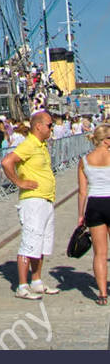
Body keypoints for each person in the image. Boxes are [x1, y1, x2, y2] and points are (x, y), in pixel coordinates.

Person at [1, 109, 59, 300]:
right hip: (33, 200)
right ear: (38, 126)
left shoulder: (41, 145)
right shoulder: (30, 144)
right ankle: (22, 285)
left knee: (40, 243)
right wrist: (19, 182)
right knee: (29, 242)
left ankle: (36, 281)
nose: (52, 128)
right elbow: (7, 161)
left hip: (46, 199)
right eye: (50, 125)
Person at [76, 120, 110, 305]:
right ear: (105, 140)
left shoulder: (84, 160)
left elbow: (82, 192)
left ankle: (102, 294)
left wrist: (81, 215)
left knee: (100, 253)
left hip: (95, 204)